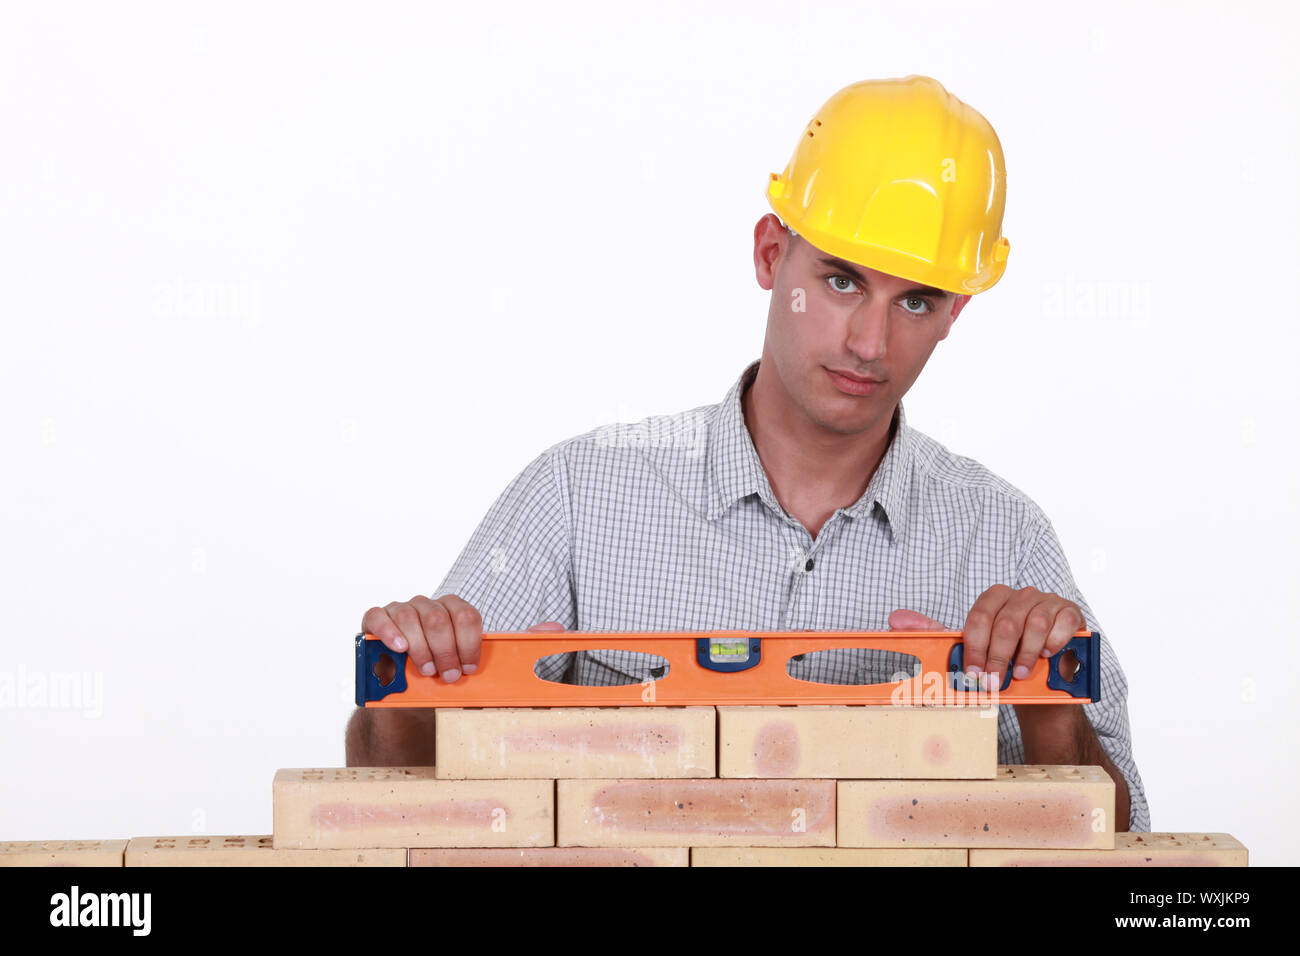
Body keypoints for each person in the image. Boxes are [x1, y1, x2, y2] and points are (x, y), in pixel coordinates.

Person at [346, 75, 1150, 832]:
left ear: (955, 313)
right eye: (840, 281)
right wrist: (415, 687)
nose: (870, 343)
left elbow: (1131, 850)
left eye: (915, 299)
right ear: (771, 254)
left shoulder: (1001, 536)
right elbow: (386, 799)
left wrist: (1051, 710)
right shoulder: (579, 496)